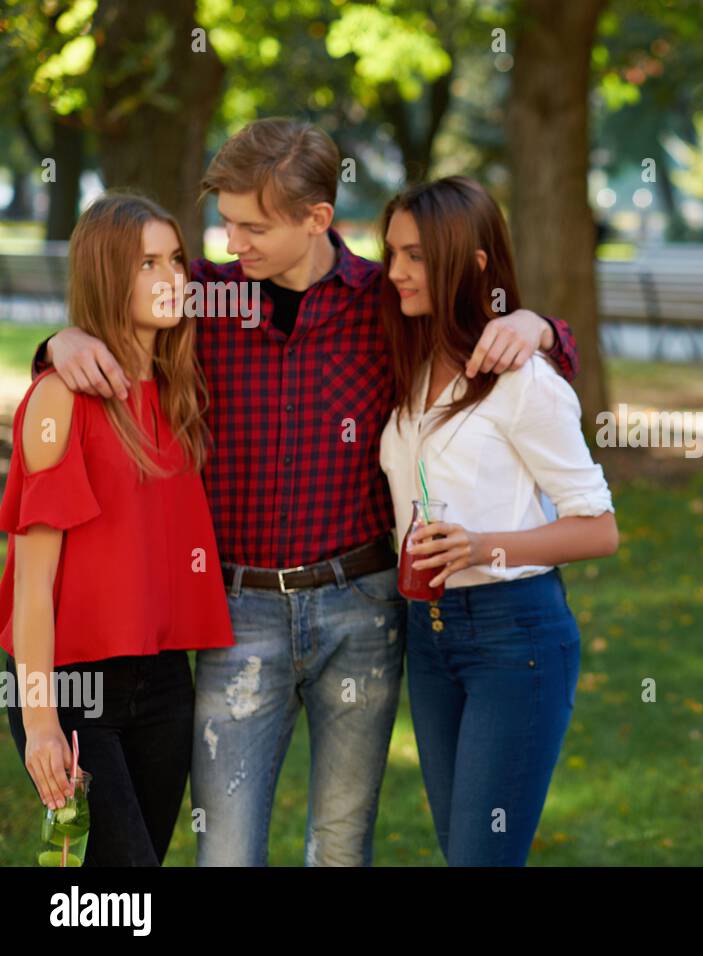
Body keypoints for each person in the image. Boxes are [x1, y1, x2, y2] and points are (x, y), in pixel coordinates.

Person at [32, 118, 581, 866]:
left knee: (341, 844)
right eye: (225, 225)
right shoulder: (209, 303)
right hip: (240, 608)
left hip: (363, 606)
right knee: (224, 850)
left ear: (317, 219)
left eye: (251, 227)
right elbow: (118, 312)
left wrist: (540, 326)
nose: (231, 245)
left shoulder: (383, 303)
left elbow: (493, 345)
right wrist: (58, 343)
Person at [378, 177, 617, 866]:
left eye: (417, 255)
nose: (396, 272)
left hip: (517, 640)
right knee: (466, 855)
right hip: (428, 636)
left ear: (474, 263)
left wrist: (487, 546)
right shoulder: (412, 362)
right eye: (392, 252)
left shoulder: (524, 380)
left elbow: (598, 527)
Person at [2, 192, 235, 865]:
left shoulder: (178, 389)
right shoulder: (60, 399)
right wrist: (42, 725)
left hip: (163, 681)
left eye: (175, 261)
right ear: (108, 275)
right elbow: (32, 586)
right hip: (73, 687)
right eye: (146, 264)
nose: (171, 280)